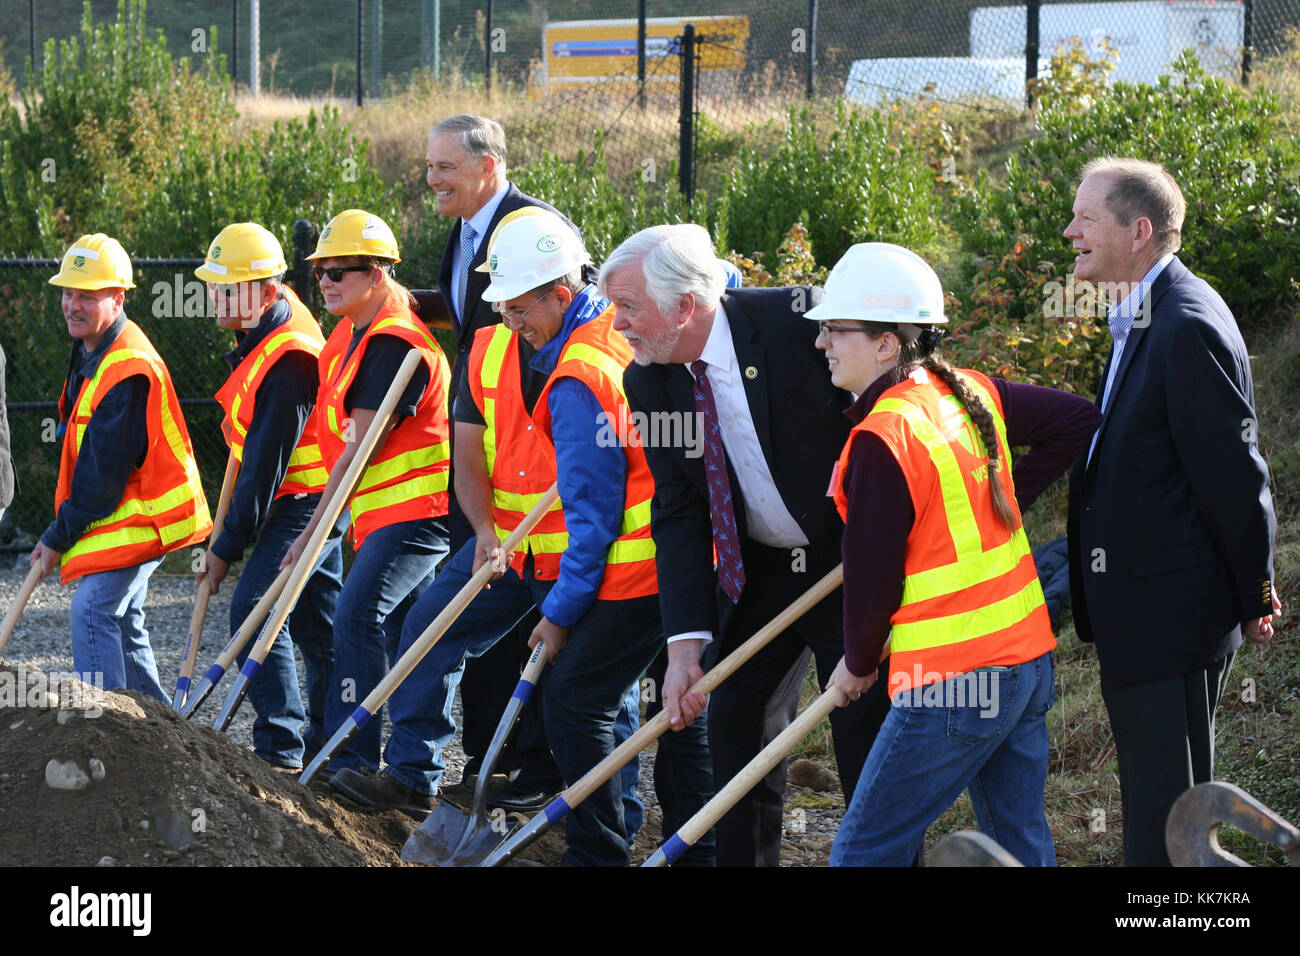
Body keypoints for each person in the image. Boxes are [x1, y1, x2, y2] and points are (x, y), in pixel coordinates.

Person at [331, 209, 642, 836]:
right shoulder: (490, 344)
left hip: (588, 556)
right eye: (501, 307)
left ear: (563, 292)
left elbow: (599, 496)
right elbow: (467, 451)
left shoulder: (611, 352)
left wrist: (565, 602)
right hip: (506, 547)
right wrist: (484, 531)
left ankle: (614, 821)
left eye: (520, 309)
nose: (508, 321)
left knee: (600, 695)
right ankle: (411, 776)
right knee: (426, 631)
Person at [807, 243, 1100, 866]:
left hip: (953, 679)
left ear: (887, 343)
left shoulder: (884, 437)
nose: (821, 343)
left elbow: (872, 579)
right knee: (1015, 844)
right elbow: (1078, 417)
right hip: (1025, 662)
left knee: (862, 852)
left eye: (835, 329)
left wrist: (857, 662)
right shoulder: (963, 390)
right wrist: (999, 494)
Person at [611, 223, 890, 867]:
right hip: (759, 572)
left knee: (862, 732)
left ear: (684, 306)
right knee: (737, 732)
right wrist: (685, 644)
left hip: (848, 565)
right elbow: (679, 511)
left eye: (628, 307)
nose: (617, 324)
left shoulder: (803, 325)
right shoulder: (651, 380)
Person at [1063, 157, 1281, 866]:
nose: (1071, 232)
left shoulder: (1184, 323)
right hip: (1148, 611)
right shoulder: (1145, 312)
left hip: (1170, 618)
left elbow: (1234, 476)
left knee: (1168, 822)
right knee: (1167, 812)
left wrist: (1256, 590)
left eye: (1087, 219)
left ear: (1140, 231)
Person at [428, 113, 575, 802]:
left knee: (546, 635)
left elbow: (564, 327)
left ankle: (533, 770)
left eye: (444, 168)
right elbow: (471, 325)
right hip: (486, 463)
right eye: (429, 167)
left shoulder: (533, 229)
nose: (432, 180)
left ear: (487, 167)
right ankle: (489, 760)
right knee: (468, 618)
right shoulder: (461, 233)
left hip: (546, 483)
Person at [285, 209, 452, 783]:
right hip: (383, 513)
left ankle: (349, 757)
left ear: (378, 273)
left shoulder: (392, 345)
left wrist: (311, 533)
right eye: (322, 271)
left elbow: (359, 450)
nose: (327, 281)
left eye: (342, 271)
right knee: (415, 636)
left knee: (356, 619)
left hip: (418, 513)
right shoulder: (351, 333)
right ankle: (410, 771)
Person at [32, 234, 212, 702]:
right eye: (68, 293)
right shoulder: (92, 346)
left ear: (117, 298)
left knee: (92, 611)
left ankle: (110, 735)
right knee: (123, 621)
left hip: (148, 513)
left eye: (86, 296)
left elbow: (101, 477)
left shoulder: (128, 367)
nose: (72, 305)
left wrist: (57, 536)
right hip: (128, 508)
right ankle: (161, 734)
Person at [196, 222, 343, 771]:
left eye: (228, 288)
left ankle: (281, 748)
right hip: (304, 494)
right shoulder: (262, 327)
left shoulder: (290, 362)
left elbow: (263, 471)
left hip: (309, 500)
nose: (217, 297)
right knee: (316, 623)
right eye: (215, 286)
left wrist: (225, 547)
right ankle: (333, 749)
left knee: (254, 612)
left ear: (266, 291)